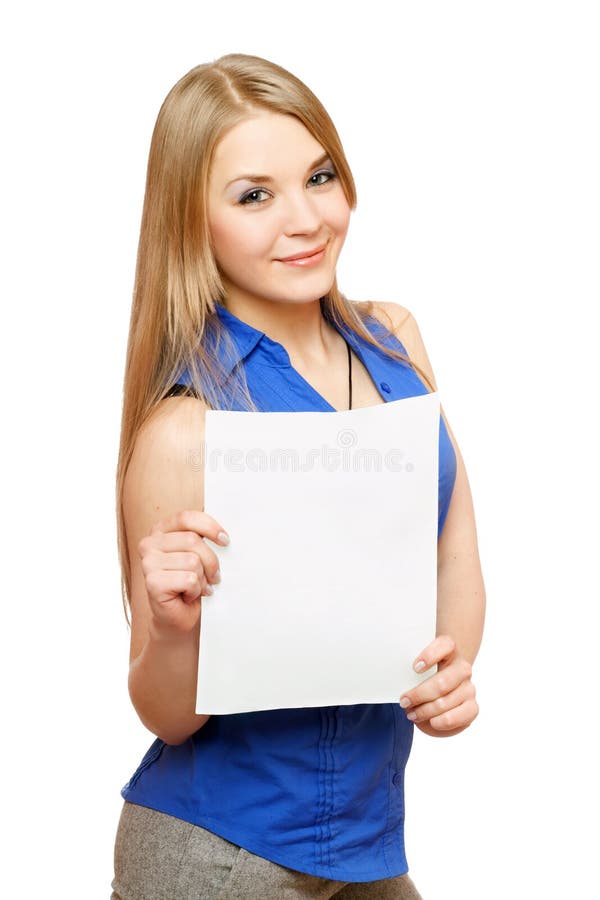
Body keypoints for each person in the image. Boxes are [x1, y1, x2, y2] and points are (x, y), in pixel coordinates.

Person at [111, 52, 486, 900]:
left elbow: (452, 546)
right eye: (254, 195)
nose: (305, 218)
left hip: (366, 838)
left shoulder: (395, 342)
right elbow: (168, 714)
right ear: (191, 222)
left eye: (320, 176)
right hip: (218, 856)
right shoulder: (184, 428)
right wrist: (172, 628)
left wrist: (452, 668)